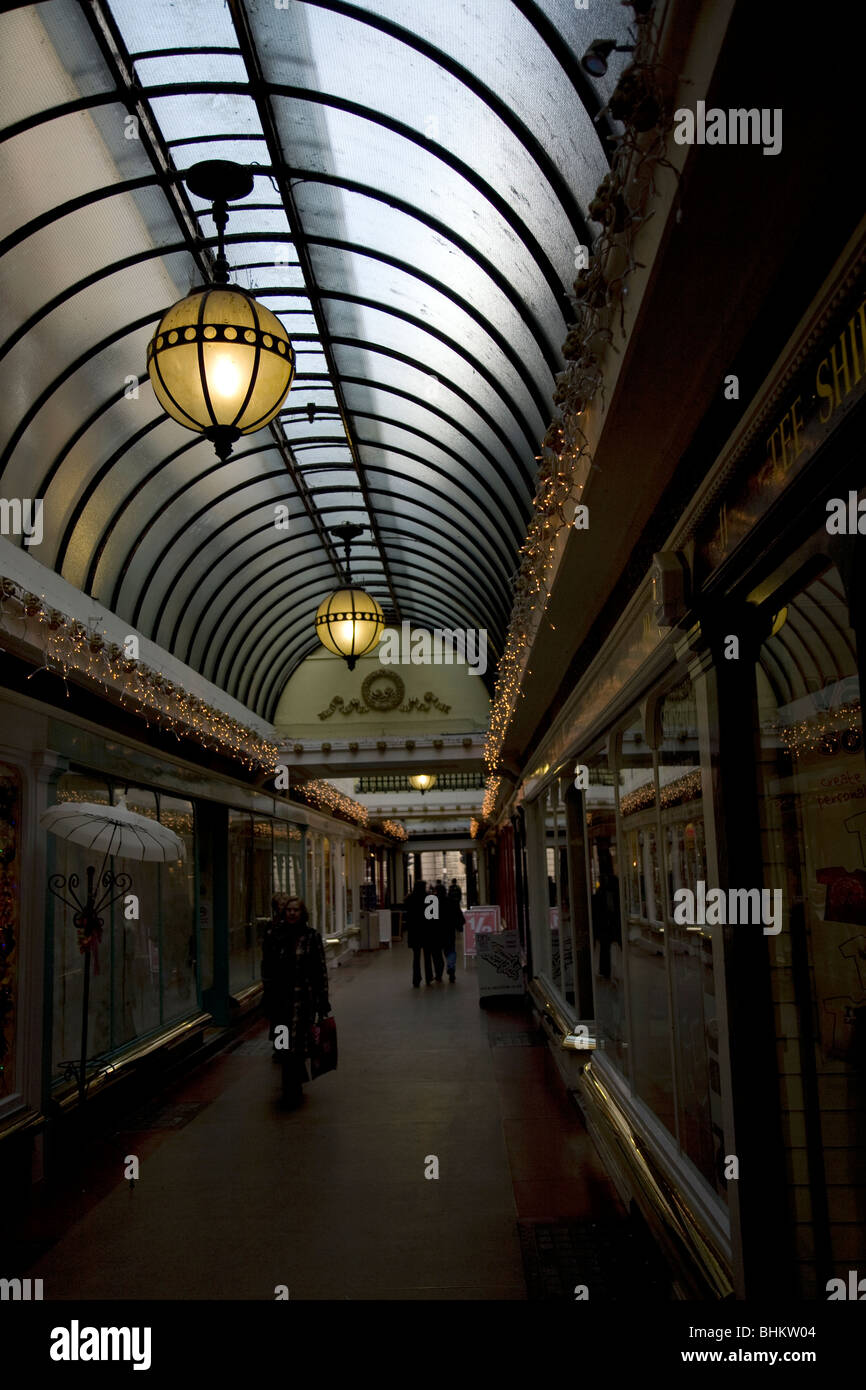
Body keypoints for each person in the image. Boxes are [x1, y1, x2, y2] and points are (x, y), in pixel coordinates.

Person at [261, 894, 331, 1107]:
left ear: (302, 914)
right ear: (283, 913)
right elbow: (267, 966)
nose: (292, 913)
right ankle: (288, 1084)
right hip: (280, 1002)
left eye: (296, 910)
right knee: (282, 1046)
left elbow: (319, 970)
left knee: (298, 1045)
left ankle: (294, 1084)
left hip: (303, 1001)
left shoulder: (311, 937)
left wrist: (322, 999)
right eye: (289, 910)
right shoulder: (274, 935)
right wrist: (268, 991)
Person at [403, 879, 440, 987]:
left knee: (416, 957)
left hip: (414, 931)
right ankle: (429, 977)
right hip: (427, 931)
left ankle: (416, 979)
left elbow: (407, 915)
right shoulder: (430, 898)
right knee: (427, 955)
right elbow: (434, 917)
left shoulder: (409, 899)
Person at [438, 882, 465, 983]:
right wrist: (459, 926)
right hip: (449, 931)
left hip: (437, 932)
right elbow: (459, 916)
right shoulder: (452, 902)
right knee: (451, 950)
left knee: (438, 952)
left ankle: (438, 973)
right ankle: (451, 967)